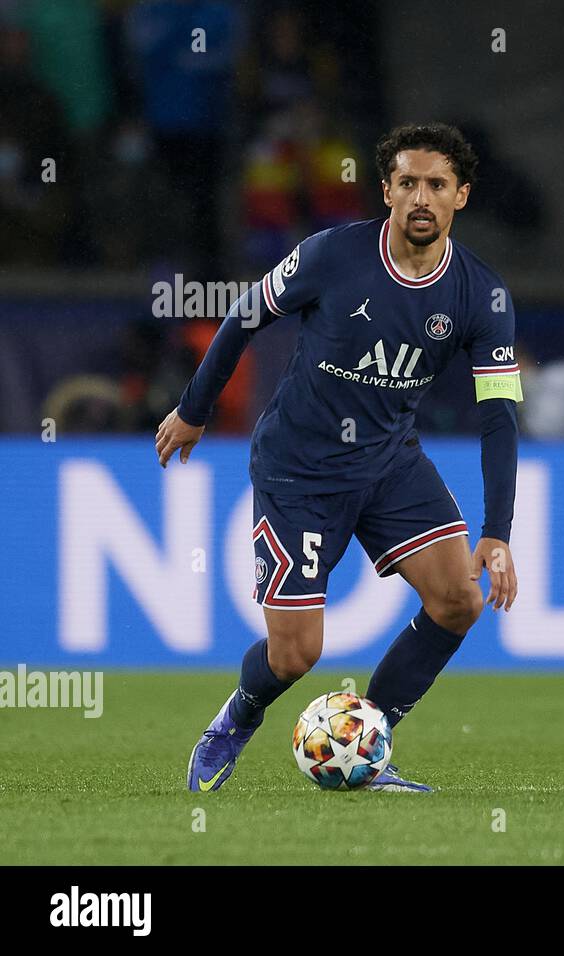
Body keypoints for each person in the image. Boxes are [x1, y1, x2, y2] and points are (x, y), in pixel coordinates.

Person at [156, 123, 522, 794]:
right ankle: (238, 716)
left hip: (388, 464)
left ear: (461, 196)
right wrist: (194, 409)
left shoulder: (480, 294)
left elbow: (498, 415)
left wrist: (497, 531)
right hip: (300, 469)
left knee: (457, 602)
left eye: (436, 185)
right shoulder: (333, 256)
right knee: (296, 655)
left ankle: (365, 747)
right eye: (407, 182)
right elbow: (243, 316)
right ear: (386, 190)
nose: (420, 197)